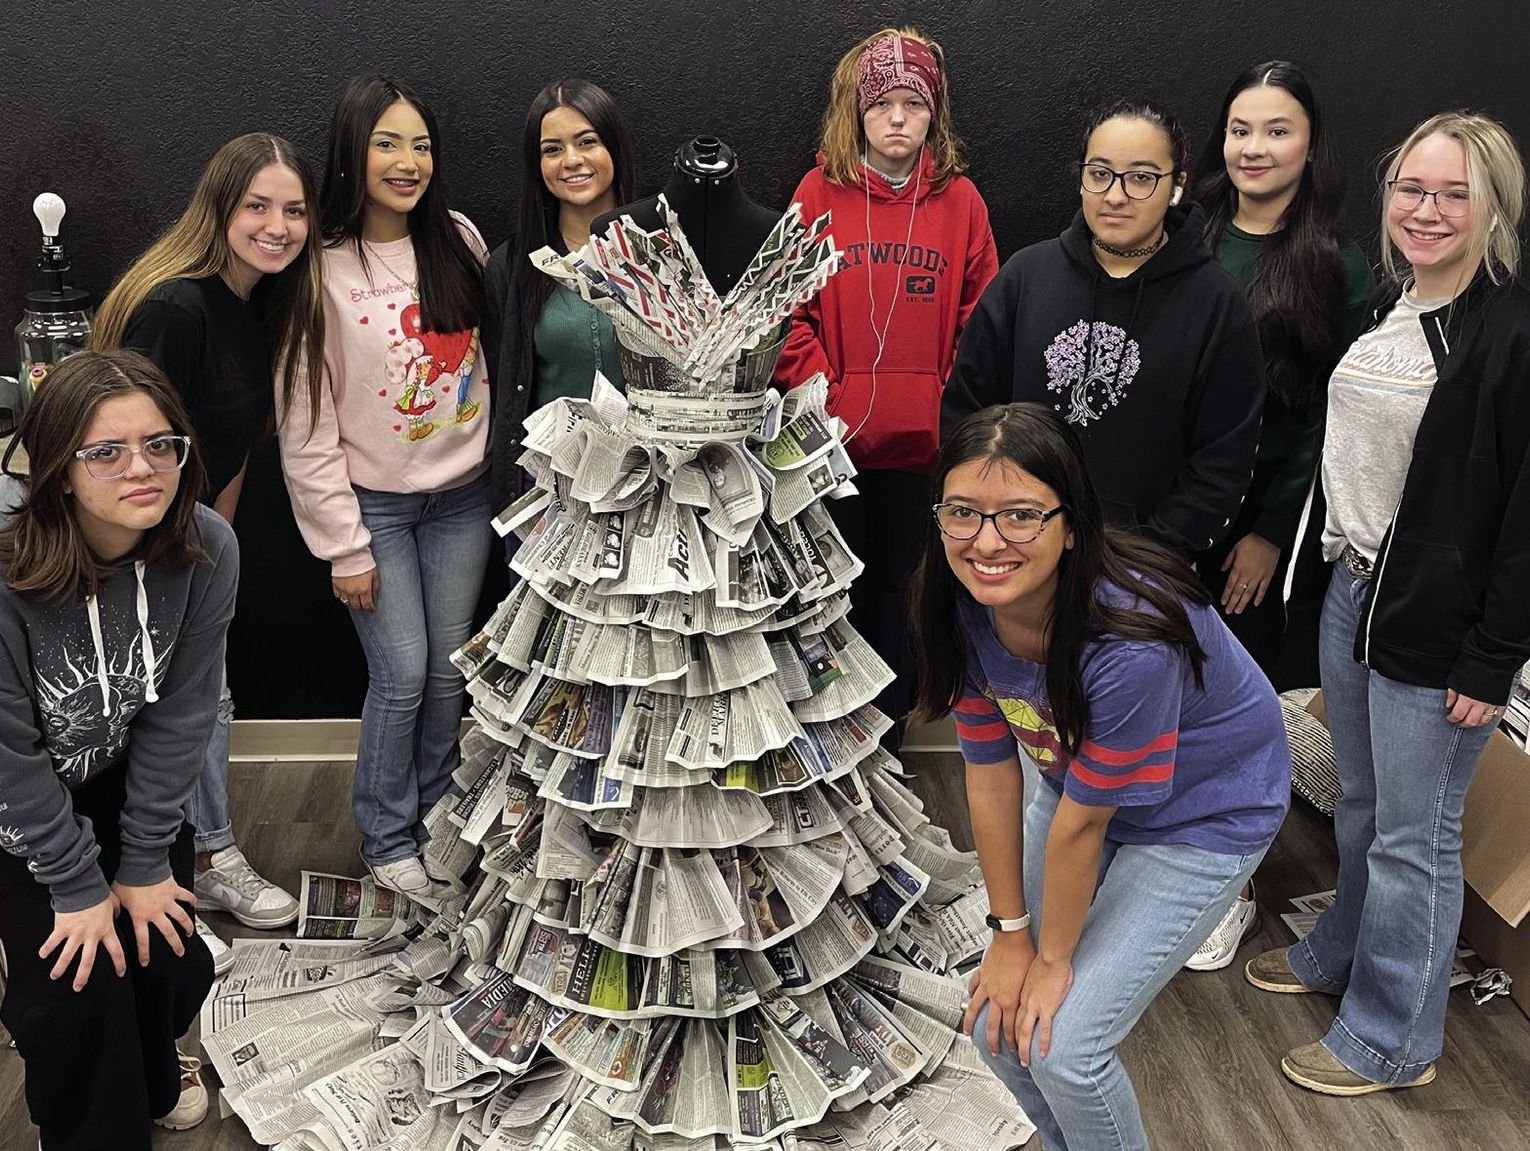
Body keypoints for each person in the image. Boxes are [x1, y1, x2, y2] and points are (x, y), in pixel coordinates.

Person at [1243, 111, 1530, 1097]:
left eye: (1455, 193)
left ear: (1495, 207)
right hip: (1353, 595)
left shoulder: (1510, 335)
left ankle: (1390, 1036)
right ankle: (1339, 951)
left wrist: (1490, 659)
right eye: (1414, 188)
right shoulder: (1392, 309)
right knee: (1359, 806)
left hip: (1436, 628)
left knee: (1417, 838)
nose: (1428, 208)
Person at [912, 402, 1289, 1149]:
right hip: (1078, 784)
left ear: (1072, 524)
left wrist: (1049, 957)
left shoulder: (1130, 638)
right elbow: (988, 775)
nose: (987, 542)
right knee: (995, 1021)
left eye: (1020, 515)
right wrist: (1009, 934)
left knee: (1066, 1046)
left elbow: (1083, 825)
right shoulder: (955, 603)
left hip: (1207, 813)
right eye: (963, 512)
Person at [92, 132, 323, 968]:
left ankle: (209, 853)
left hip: (191, 547)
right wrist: (152, 565)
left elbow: (229, 450)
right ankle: (156, 882)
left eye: (294, 210)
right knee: (157, 717)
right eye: (257, 205)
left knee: (206, 702)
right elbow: (124, 451)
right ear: (219, 207)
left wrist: (212, 557)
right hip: (136, 552)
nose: (278, 224)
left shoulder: (254, 304)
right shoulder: (174, 306)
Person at [0, 350, 237, 1149]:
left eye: (161, 444)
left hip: (124, 780)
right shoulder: (5, 565)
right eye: (106, 451)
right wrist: (74, 884)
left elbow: (182, 715)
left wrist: (138, 864)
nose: (143, 467)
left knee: (168, 954)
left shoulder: (207, 546)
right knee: (73, 990)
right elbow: (9, 751)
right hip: (17, 805)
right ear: (61, 469)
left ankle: (158, 1062)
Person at [277, 74, 492, 899]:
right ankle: (386, 833)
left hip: (463, 498)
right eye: (387, 143)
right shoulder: (321, 268)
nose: (408, 163)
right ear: (351, 153)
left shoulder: (461, 240)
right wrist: (342, 544)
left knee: (447, 675)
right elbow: (305, 420)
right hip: (377, 509)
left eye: (421, 145)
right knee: (401, 674)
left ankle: (438, 822)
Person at [1180, 62, 1374, 972]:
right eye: (1239, 129)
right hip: (1165, 516)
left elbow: (1321, 424)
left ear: (1309, 143)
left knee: (1230, 713)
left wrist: (1266, 530)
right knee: (1152, 697)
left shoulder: (1340, 267)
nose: (1254, 148)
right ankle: (1153, 862)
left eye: (1277, 130)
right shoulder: (1188, 230)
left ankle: (1230, 885)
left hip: (1256, 531)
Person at [773, 26, 998, 745]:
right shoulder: (816, 193)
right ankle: (827, 758)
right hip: (833, 452)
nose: (898, 119)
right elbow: (786, 312)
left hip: (925, 451)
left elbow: (980, 319)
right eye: (882, 105)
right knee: (830, 604)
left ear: (935, 113)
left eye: (914, 103)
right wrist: (831, 402)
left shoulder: (961, 201)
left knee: (904, 606)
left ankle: (889, 757)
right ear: (856, 114)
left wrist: (943, 404)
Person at [942, 100, 1265, 562]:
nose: (1115, 195)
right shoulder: (1025, 276)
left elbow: (1223, 458)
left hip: (1143, 569)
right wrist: (988, 527)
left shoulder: (1215, 302)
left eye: (1141, 177)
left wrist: (1153, 557)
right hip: (1013, 554)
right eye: (1100, 173)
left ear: (1177, 185)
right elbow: (966, 413)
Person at [483, 78, 635, 517]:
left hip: (647, 484)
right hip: (548, 488)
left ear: (614, 149)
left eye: (587, 142)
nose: (571, 161)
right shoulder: (511, 267)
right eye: (552, 149)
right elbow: (505, 390)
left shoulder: (659, 249)